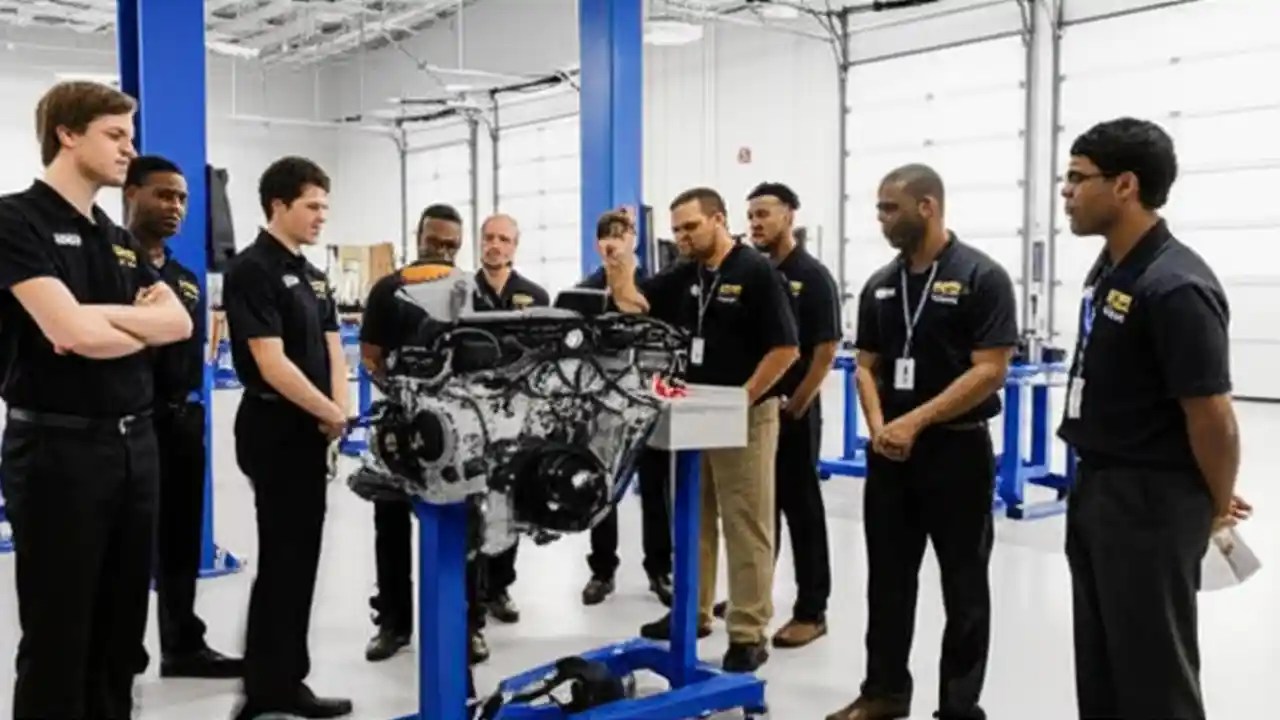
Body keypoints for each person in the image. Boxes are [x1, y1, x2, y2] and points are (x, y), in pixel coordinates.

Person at [0, 80, 193, 720]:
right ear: (67, 134)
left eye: (129, 136)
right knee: (59, 635)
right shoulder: (16, 220)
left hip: (135, 448)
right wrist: (122, 325)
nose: (128, 150)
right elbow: (71, 333)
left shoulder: (117, 235)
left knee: (119, 636)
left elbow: (178, 324)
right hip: (58, 449)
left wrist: (96, 321)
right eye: (114, 135)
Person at [1056, 117, 1251, 720]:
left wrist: (1215, 501)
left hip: (1149, 503)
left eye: (1078, 177)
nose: (1066, 191)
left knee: (1154, 672)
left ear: (1125, 186)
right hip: (1100, 487)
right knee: (1103, 663)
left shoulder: (1175, 285)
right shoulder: (1113, 268)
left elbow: (1213, 418)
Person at [827, 164, 1018, 720]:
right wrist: (881, 426)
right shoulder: (880, 284)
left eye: (891, 208)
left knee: (964, 585)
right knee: (887, 580)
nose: (882, 219)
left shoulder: (982, 277)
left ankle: (959, 706)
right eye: (880, 209)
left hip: (957, 452)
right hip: (891, 455)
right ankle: (884, 691)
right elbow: (866, 365)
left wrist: (916, 422)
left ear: (927, 206)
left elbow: (990, 369)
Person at [606, 187, 799, 672]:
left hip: (745, 413)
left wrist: (741, 400)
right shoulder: (685, 272)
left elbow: (785, 349)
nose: (683, 237)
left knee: (745, 523)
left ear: (719, 219)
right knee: (692, 517)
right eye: (676, 230)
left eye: (691, 226)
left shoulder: (755, 272)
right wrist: (619, 263)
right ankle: (692, 612)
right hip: (694, 413)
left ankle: (748, 631)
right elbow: (634, 306)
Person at [222, 156, 352, 719]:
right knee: (282, 558)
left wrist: (339, 410)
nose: (322, 216)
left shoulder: (314, 274)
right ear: (278, 205)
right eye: (312, 206)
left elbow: (333, 347)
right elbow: (269, 362)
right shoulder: (252, 270)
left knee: (301, 559)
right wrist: (328, 412)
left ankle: (286, 679)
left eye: (325, 206)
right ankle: (264, 690)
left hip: (311, 428)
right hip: (274, 428)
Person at [123, 154, 242, 678]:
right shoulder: (112, 265)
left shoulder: (185, 279)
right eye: (163, 195)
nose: (175, 207)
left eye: (182, 198)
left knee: (180, 538)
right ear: (131, 193)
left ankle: (182, 645)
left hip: (181, 421)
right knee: (128, 542)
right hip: (129, 422)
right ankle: (122, 649)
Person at [360, 203, 491, 667]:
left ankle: (470, 625)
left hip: (459, 427)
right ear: (418, 237)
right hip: (401, 422)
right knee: (390, 524)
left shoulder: (472, 290)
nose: (442, 250)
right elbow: (370, 355)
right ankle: (393, 624)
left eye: (451, 245)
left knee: (466, 528)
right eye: (435, 241)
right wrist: (401, 395)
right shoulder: (388, 290)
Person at [745, 182, 840, 649]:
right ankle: (755, 595)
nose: (756, 224)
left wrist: (797, 405)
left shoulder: (812, 276)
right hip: (759, 412)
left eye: (764, 214)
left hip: (794, 411)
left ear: (789, 215)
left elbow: (825, 351)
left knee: (802, 510)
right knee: (761, 508)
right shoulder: (757, 272)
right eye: (751, 216)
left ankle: (811, 610)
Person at [576, 209, 674, 607]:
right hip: (602, 403)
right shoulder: (584, 292)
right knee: (603, 488)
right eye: (606, 235)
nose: (613, 242)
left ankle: (660, 568)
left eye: (621, 234)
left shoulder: (657, 287)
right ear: (597, 244)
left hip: (648, 401)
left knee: (656, 488)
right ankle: (602, 569)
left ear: (634, 239)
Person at [472, 212, 551, 624]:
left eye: (503, 239)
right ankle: (472, 592)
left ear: (515, 246)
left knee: (509, 498)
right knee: (473, 500)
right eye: (489, 237)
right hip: (470, 412)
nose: (495, 245)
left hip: (517, 412)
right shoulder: (463, 292)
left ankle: (500, 587)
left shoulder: (535, 296)